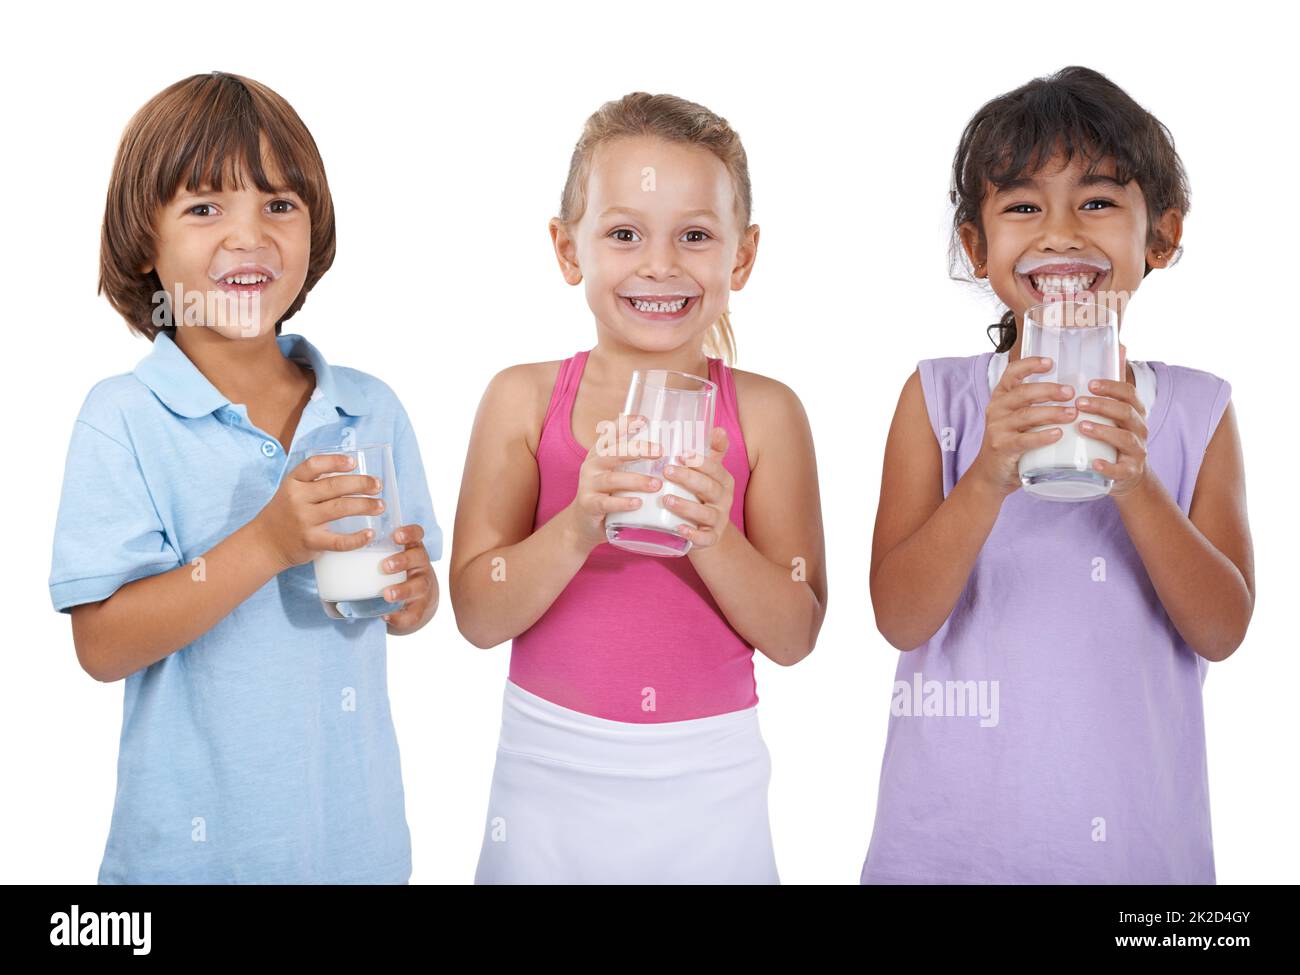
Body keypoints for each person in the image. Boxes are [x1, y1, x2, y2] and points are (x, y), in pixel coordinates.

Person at [861, 66, 1253, 884]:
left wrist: (1137, 483)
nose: (1061, 232)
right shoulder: (940, 399)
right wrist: (986, 478)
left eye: (1100, 201)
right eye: (1023, 206)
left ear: (1162, 236)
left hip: (1140, 859)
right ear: (978, 246)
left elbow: (1222, 629)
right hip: (951, 849)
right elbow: (900, 617)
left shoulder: (1196, 410)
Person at [48, 72, 442, 883]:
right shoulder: (124, 418)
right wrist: (266, 543)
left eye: (280, 204)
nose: (249, 236)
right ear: (145, 241)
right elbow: (101, 644)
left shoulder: (369, 408)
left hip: (357, 851)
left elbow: (402, 606)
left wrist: (413, 593)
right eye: (204, 207)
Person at [452, 92, 827, 883]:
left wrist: (715, 535)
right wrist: (579, 524)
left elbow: (795, 635)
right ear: (567, 249)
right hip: (547, 765)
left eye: (695, 235)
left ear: (743, 257)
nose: (661, 264)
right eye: (624, 234)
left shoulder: (767, 414)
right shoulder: (522, 400)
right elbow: (479, 614)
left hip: (709, 776)